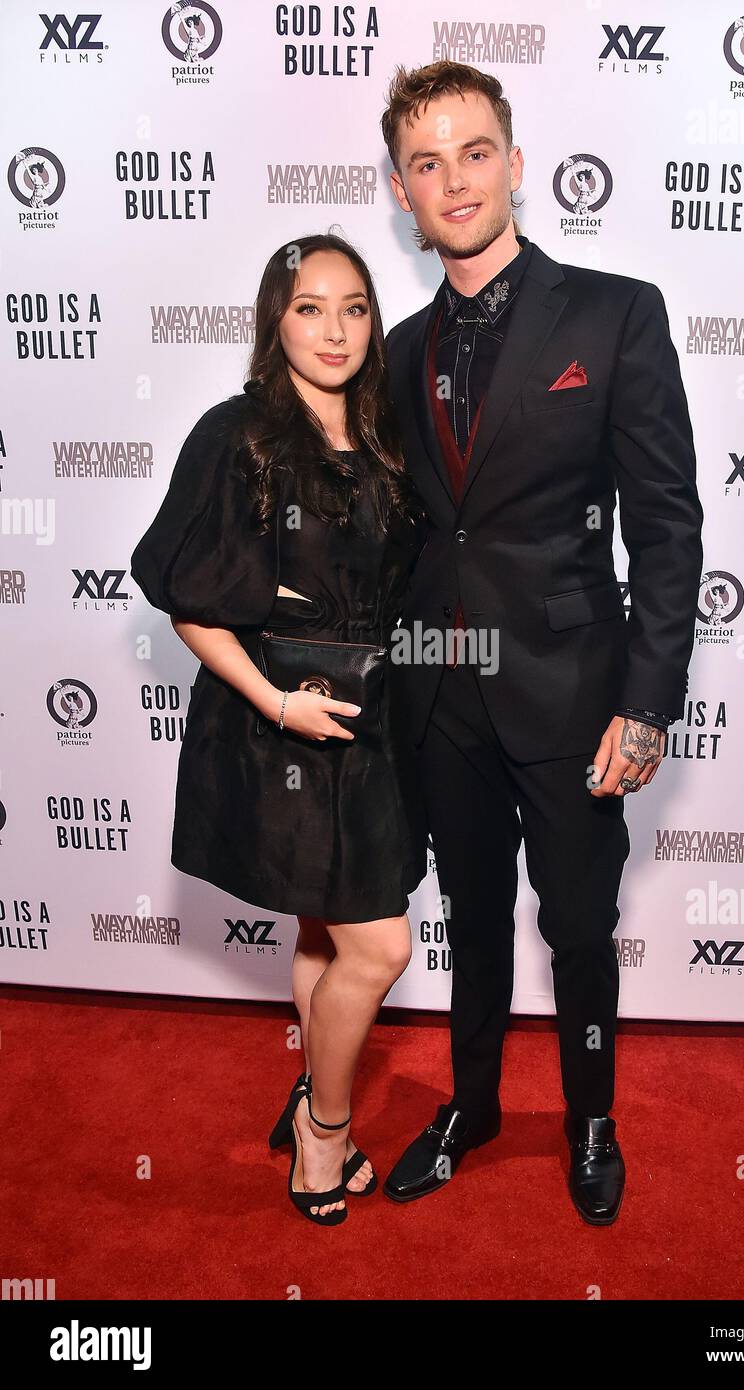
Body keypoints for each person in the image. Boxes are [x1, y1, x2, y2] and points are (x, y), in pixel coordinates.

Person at [378, 61, 704, 1224]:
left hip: (575, 693)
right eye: (427, 162)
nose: (454, 179)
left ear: (515, 165)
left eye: (475, 152)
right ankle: (471, 1106)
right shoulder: (397, 351)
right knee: (468, 916)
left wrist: (651, 701)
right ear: (404, 196)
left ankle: (593, 1119)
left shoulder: (616, 313)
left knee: (576, 925)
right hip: (442, 698)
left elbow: (667, 525)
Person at [129, 233, 430, 1226]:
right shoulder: (240, 436)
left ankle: (308, 1094)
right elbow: (190, 604)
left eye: (354, 307)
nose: (335, 329)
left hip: (370, 720)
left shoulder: (385, 432)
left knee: (322, 926)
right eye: (310, 307)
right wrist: (277, 698)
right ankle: (326, 1134)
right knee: (378, 947)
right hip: (281, 727)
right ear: (276, 318)